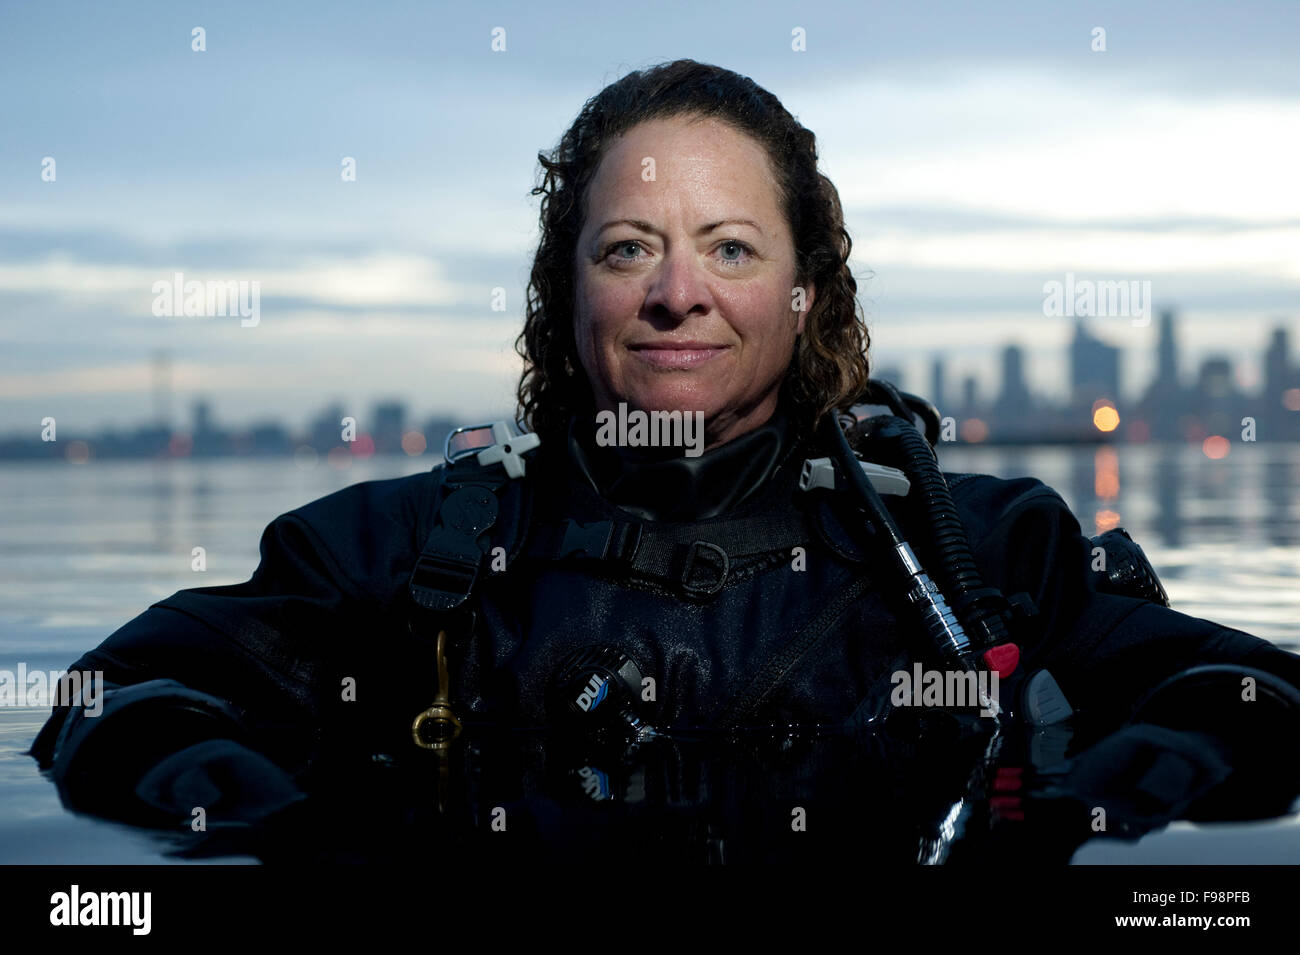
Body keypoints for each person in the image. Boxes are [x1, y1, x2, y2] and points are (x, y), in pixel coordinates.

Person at [29, 59, 1300, 836]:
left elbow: (1257, 691)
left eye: (730, 248)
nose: (675, 293)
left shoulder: (980, 548)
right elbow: (99, 696)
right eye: (628, 246)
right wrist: (260, 814)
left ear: (808, 295)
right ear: (562, 291)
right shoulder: (392, 549)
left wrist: (1145, 781)